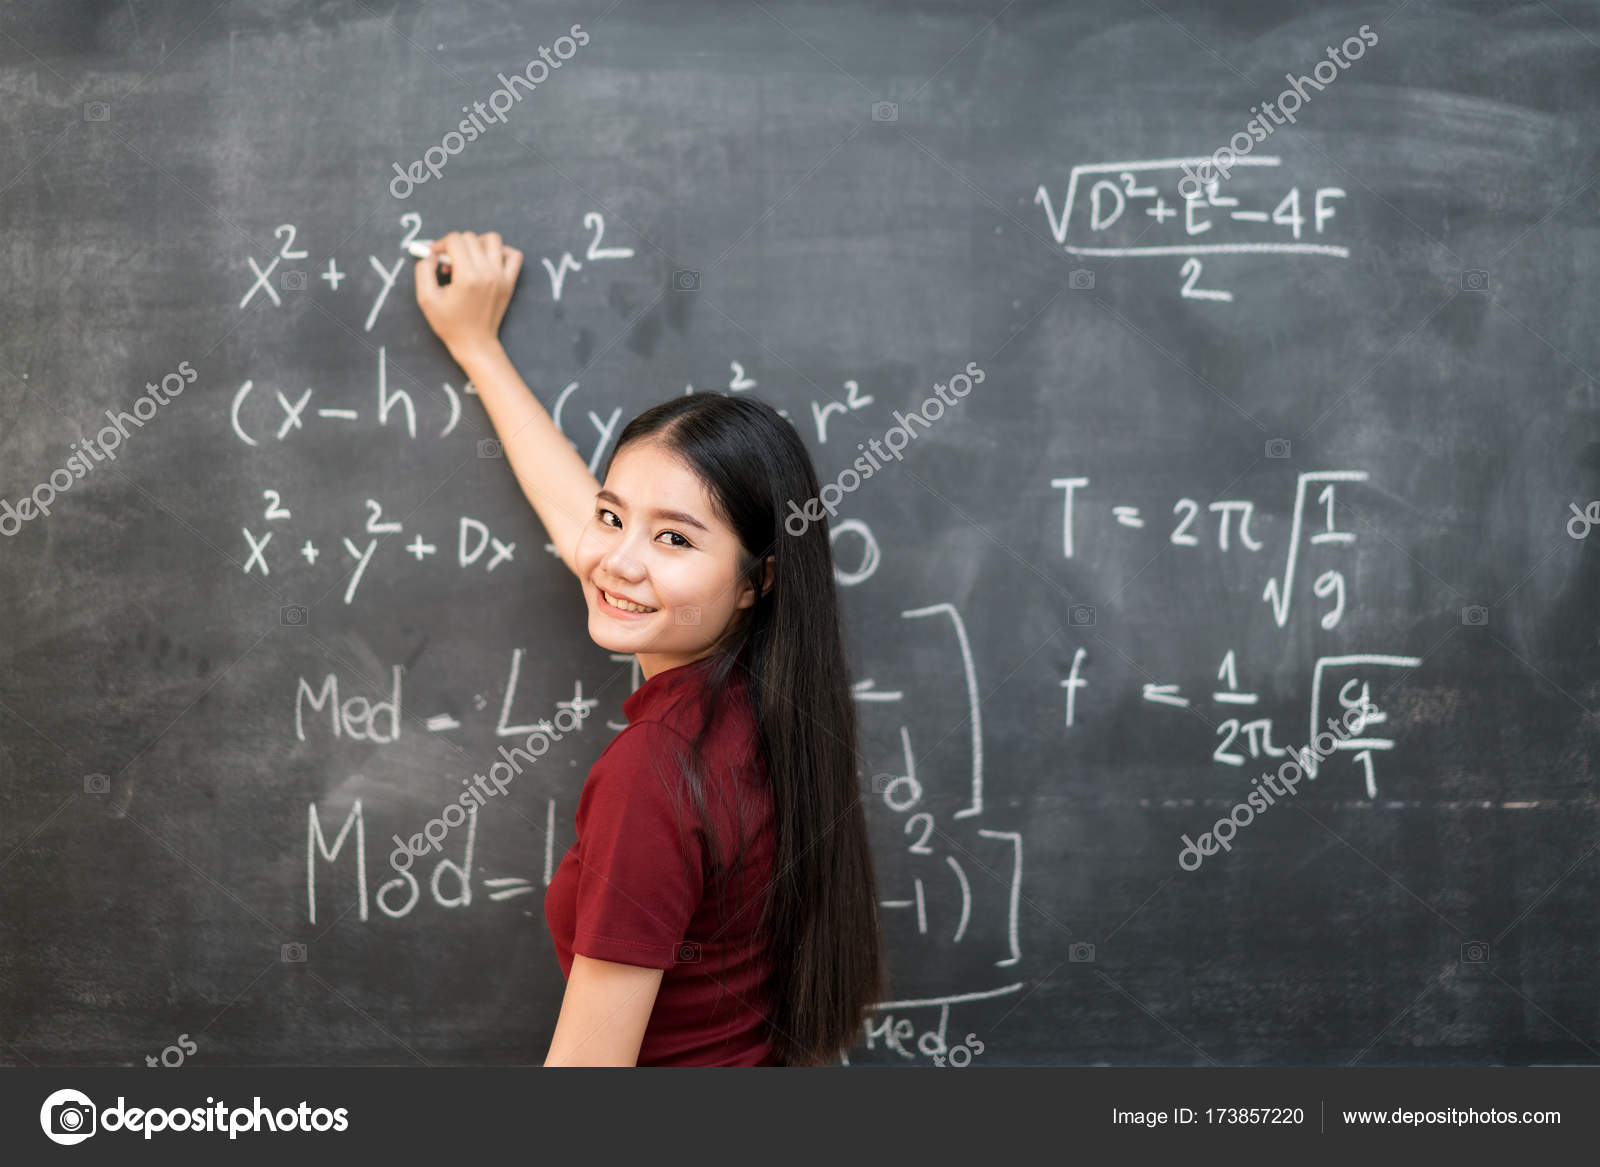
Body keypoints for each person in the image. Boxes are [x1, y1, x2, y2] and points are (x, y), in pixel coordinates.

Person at [413, 231, 885, 1066]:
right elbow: (593, 534)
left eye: (673, 537)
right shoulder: (769, 716)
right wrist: (475, 344)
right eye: (613, 514)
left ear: (754, 580)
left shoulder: (654, 774)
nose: (617, 559)